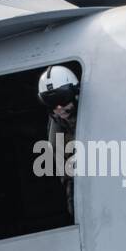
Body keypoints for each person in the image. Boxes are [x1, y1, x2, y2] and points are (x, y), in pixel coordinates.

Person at [38, 65, 78, 215]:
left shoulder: (92, 114)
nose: (59, 107)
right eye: (52, 102)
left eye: (62, 98)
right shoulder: (57, 129)